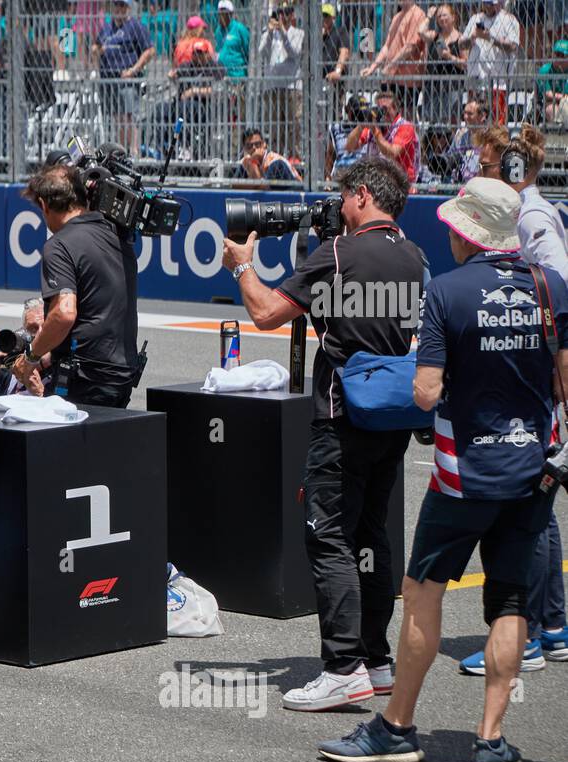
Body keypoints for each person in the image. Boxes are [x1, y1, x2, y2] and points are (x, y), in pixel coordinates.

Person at [317, 178, 568, 762]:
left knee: (423, 590)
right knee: (509, 599)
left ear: (464, 232)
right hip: (532, 470)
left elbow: (427, 390)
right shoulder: (548, 286)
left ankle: (397, 726)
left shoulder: (449, 292)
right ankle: (491, 740)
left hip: (463, 476)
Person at [222, 158, 428, 711]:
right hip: (392, 416)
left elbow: (265, 313)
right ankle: (376, 659)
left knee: (327, 534)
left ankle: (342, 667)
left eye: (342, 197)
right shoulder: (414, 256)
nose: (337, 207)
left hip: (340, 419)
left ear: (362, 195)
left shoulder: (337, 255)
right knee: (370, 535)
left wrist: (244, 265)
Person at [455, 124, 568, 673]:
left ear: (513, 169)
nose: (478, 171)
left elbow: (557, 291)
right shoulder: (523, 213)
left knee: (531, 506)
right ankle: (550, 625)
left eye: (487, 164)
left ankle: (529, 632)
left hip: (534, 374)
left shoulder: (530, 217)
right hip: (531, 369)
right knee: (536, 505)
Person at [11, 164, 139, 408]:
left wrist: (31, 357)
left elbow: (63, 314)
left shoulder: (58, 245)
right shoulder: (118, 238)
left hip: (83, 380)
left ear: (44, 205)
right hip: (122, 377)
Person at [93, 0, 154, 158]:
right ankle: (122, 152)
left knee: (128, 116)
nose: (118, 9)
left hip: (125, 79)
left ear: (127, 8)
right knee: (117, 117)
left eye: (122, 5)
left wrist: (134, 70)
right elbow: (96, 46)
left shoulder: (135, 26)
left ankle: (133, 153)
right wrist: (97, 50)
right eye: (116, 5)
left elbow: (149, 50)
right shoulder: (107, 27)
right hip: (108, 79)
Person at [0, 297, 52, 397]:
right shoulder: (10, 353)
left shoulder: (65, 361)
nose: (39, 334)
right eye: (33, 328)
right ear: (23, 330)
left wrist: (39, 393)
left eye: (45, 327)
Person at [459, 0, 521, 125]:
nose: (488, 5)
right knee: (474, 122)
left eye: (491, 3)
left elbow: (513, 46)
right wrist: (472, 37)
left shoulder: (509, 20)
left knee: (496, 125)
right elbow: (461, 44)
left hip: (498, 83)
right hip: (476, 80)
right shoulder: (475, 18)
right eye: (486, 2)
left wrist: (490, 38)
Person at [360, 0, 427, 114]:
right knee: (389, 116)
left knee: (406, 117)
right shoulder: (397, 16)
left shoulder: (418, 14)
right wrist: (373, 67)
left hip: (407, 79)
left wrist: (390, 67)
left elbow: (410, 47)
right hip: (391, 78)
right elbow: (387, 46)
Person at [258, 4, 303, 160]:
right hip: (273, 87)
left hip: (292, 86)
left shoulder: (298, 33)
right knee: (276, 126)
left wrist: (283, 32)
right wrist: (270, 33)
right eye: (279, 14)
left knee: (294, 126)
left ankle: (295, 158)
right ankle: (276, 158)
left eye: (285, 13)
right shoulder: (268, 32)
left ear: (292, 16)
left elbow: (294, 53)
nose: (281, 17)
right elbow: (263, 52)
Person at [351, 90, 420, 183]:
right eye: (378, 109)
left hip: (401, 182)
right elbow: (351, 146)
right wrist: (361, 125)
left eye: (384, 109)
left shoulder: (405, 126)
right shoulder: (376, 124)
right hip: (377, 181)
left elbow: (392, 153)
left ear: (395, 109)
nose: (381, 113)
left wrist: (375, 131)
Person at [214, 0, 249, 81]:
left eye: (225, 13)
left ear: (230, 14)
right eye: (220, 13)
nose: (222, 15)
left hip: (237, 76)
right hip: (221, 76)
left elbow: (247, 49)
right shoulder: (218, 31)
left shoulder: (239, 28)